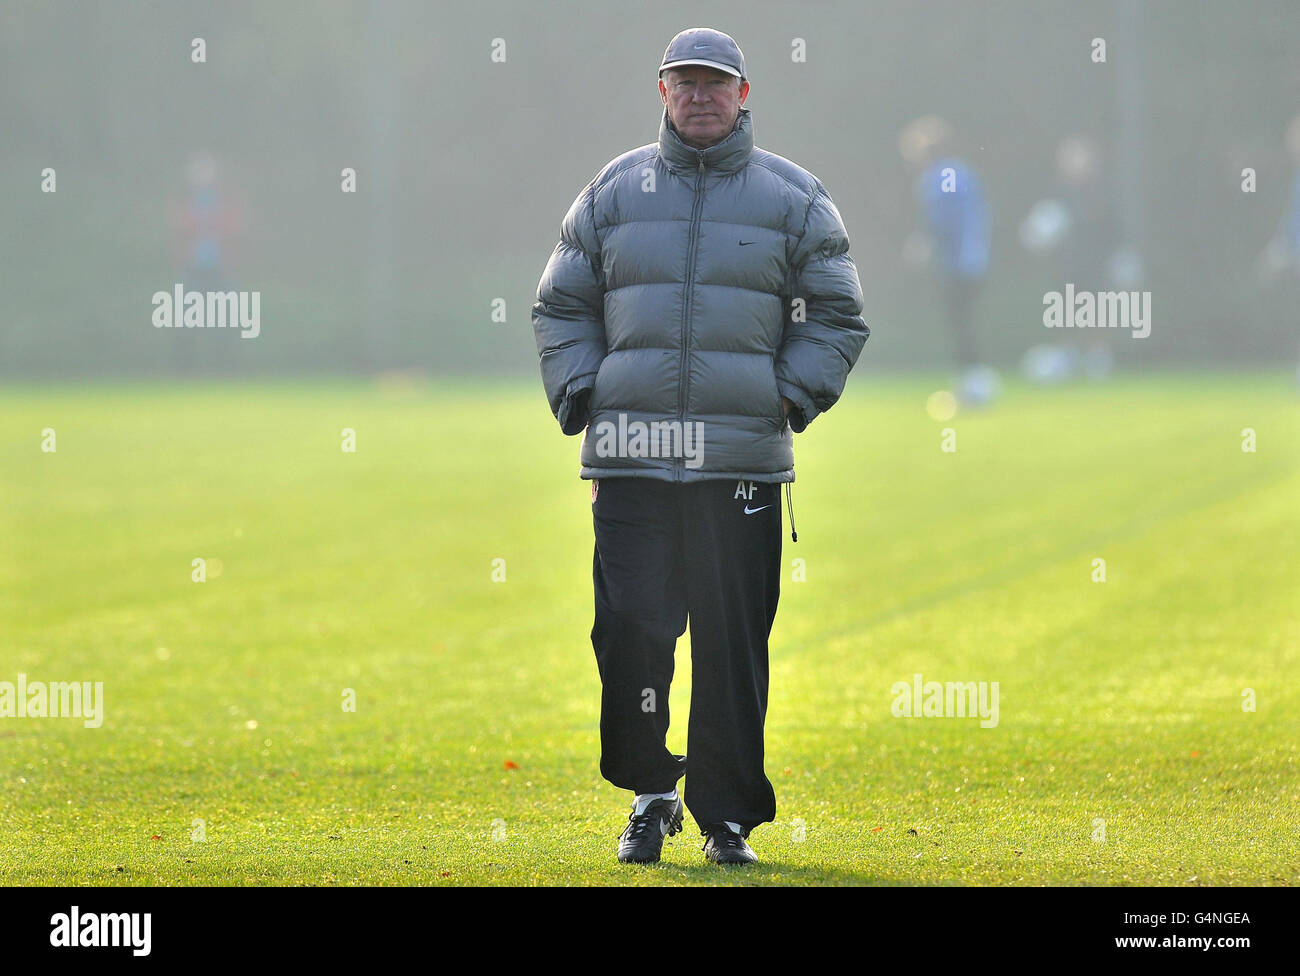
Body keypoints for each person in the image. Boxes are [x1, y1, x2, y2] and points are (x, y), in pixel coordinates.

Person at [530, 27, 868, 866]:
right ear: (662, 91)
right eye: (685, 82)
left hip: (739, 465)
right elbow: (560, 305)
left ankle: (725, 818)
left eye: (717, 83)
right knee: (633, 631)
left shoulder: (793, 197)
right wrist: (583, 394)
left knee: (730, 647)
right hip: (633, 459)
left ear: (745, 94)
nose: (701, 95)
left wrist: (790, 396)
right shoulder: (612, 191)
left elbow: (836, 314)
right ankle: (650, 794)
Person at [899, 116, 995, 404]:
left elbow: (941, 223)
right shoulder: (964, 172)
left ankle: (972, 386)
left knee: (959, 323)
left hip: (957, 264)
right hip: (976, 259)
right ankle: (973, 382)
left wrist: (925, 246)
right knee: (966, 321)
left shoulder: (936, 179)